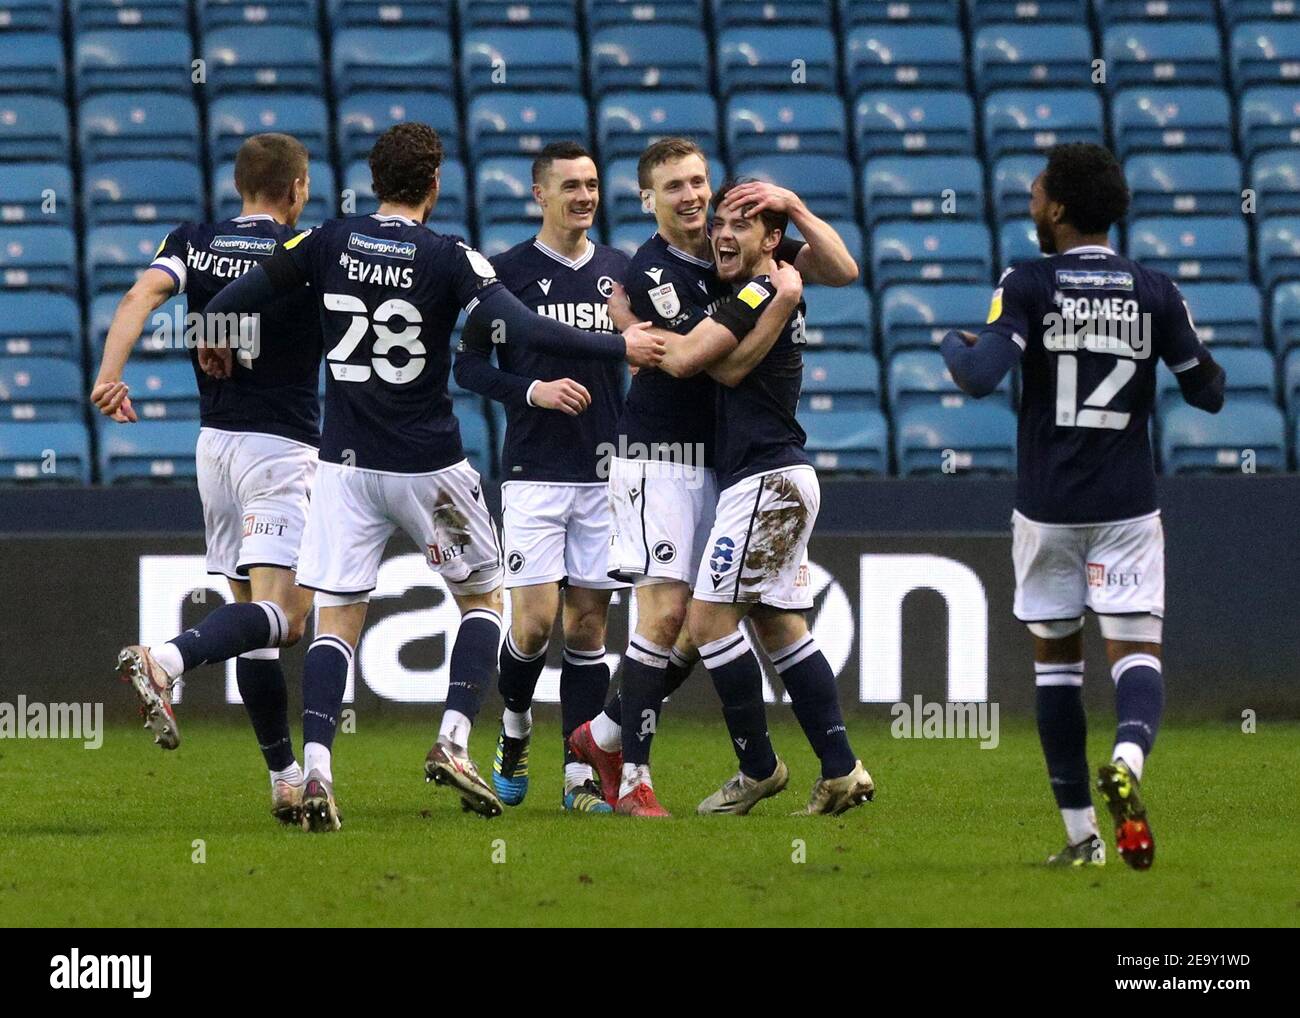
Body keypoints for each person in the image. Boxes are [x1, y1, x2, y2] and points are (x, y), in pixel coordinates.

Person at [203, 122, 662, 831]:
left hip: (345, 465)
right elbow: (526, 332)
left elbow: (232, 300)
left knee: (337, 621)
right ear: (435, 183)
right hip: (428, 464)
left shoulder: (327, 240)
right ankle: (452, 738)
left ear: (375, 180)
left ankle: (318, 771)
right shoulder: (452, 258)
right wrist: (615, 342)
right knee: (483, 602)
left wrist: (213, 336)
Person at [940, 142, 1226, 868]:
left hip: (1047, 508)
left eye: (1037, 193)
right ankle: (1128, 755)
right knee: (1135, 654)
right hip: (1128, 505)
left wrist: (950, 342)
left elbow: (978, 376)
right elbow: (1209, 393)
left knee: (1056, 668)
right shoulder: (1155, 289)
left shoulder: (1029, 283)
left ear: (1059, 208)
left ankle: (1081, 839)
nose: (1031, 203)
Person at [90, 133, 322, 825]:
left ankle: (284, 776)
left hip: (214, 446)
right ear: (297, 189)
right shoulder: (304, 250)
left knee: (249, 615)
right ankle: (165, 657)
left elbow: (138, 297)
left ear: (239, 185)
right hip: (281, 447)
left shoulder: (192, 240)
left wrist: (109, 377)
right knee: (290, 618)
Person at [453, 141, 630, 813]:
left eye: (590, 185)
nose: (584, 196)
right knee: (531, 624)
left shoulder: (622, 270)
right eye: (570, 187)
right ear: (540, 196)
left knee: (588, 630)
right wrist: (532, 391)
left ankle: (579, 776)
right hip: (533, 472)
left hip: (605, 474)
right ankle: (515, 724)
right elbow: (467, 367)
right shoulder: (505, 276)